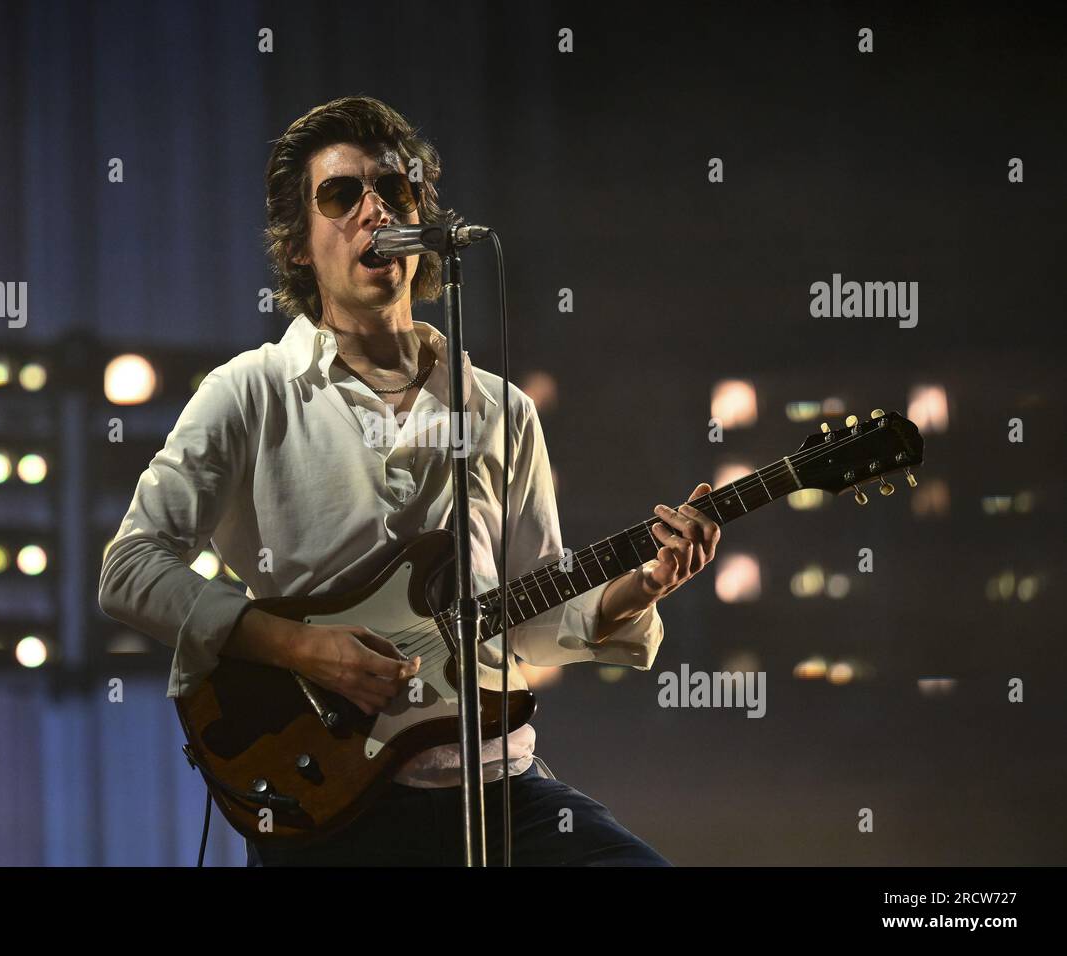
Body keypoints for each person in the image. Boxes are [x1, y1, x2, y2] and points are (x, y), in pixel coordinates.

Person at [97, 95, 721, 866]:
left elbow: (527, 615)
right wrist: (299, 648)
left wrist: (643, 585)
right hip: (328, 800)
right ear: (298, 244)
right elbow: (130, 569)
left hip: (496, 784)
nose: (374, 210)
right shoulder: (249, 393)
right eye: (342, 195)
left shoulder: (501, 408)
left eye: (395, 191)